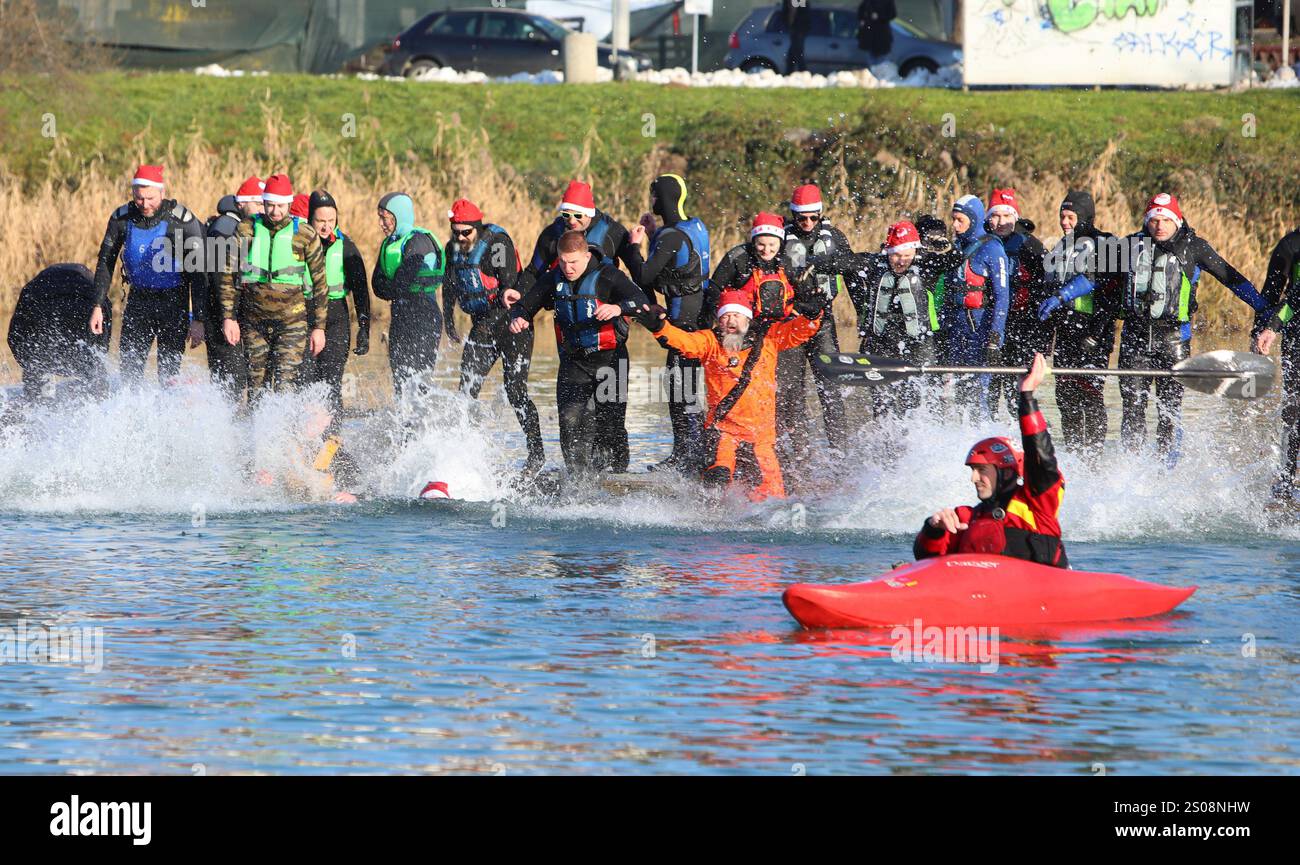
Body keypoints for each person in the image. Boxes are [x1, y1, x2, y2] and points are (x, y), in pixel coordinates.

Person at [1070, 193, 1266, 457]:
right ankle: (1132, 468)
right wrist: (1061, 296)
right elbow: (1093, 275)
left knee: (1169, 411)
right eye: (1154, 220)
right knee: (1133, 409)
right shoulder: (1129, 245)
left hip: (1174, 342)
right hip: (1134, 342)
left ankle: (1167, 467)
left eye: (1165, 220)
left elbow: (1232, 279)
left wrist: (1266, 310)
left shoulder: (1195, 247)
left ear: (1177, 220)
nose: (1159, 226)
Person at [633, 285, 827, 502]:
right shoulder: (710, 342)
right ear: (719, 320)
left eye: (736, 315)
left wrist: (813, 314)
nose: (731, 321)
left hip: (761, 439)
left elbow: (800, 331)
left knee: (773, 497)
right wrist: (659, 327)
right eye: (726, 316)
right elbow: (683, 342)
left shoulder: (769, 338)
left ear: (747, 319)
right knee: (718, 480)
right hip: (724, 434)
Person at [508, 230, 650, 476]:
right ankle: (578, 479)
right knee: (569, 421)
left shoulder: (608, 275)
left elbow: (642, 301)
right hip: (574, 363)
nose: (568, 267)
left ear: (586, 256)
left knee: (610, 425)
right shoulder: (554, 278)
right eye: (562, 261)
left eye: (573, 262)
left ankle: (616, 474)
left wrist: (618, 307)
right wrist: (518, 317)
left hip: (610, 362)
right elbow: (526, 305)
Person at [914, 353, 1068, 567]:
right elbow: (926, 561)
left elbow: (1041, 455)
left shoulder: (1039, 506)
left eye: (981, 469)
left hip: (1039, 596)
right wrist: (933, 528)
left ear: (1005, 470)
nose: (973, 478)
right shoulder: (964, 518)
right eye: (972, 470)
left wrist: (1027, 396)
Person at [445, 198, 545, 474]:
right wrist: (448, 321)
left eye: (466, 232)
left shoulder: (498, 245)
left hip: (512, 326)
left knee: (515, 391)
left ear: (477, 228)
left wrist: (492, 320)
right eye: (456, 232)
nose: (461, 238)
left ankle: (536, 453)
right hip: (482, 326)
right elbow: (448, 286)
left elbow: (510, 287)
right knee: (465, 391)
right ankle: (461, 452)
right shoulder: (452, 248)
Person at [90, 164, 207, 385]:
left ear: (162, 192)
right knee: (129, 372)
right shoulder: (121, 218)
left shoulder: (181, 220)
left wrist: (199, 319)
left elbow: (199, 274)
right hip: (139, 301)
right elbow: (106, 262)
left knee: (169, 375)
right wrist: (97, 305)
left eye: (151, 198)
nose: (144, 204)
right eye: (139, 198)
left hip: (174, 302)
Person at [218, 173, 329, 398]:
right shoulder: (246, 229)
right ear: (263, 203)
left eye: (280, 206)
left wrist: (319, 328)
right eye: (269, 205)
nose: (275, 211)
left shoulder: (305, 234)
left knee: (285, 386)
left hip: (292, 323)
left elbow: (320, 284)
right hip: (254, 322)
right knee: (256, 388)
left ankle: (283, 432)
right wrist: (228, 318)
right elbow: (227, 274)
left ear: (289, 203)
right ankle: (255, 432)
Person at [628, 174, 711, 472]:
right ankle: (695, 449)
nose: (651, 202)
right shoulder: (695, 226)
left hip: (684, 320)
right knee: (685, 384)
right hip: (701, 312)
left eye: (653, 197)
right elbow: (680, 263)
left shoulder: (670, 236)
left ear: (663, 198)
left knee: (679, 385)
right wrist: (654, 234)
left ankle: (688, 455)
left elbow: (645, 275)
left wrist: (634, 246)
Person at [1036, 190, 1118, 454]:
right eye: (1062, 216)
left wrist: (1061, 297)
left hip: (1093, 332)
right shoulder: (1062, 246)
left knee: (1090, 396)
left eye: (1071, 217)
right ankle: (1072, 452)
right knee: (1065, 395)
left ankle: (1092, 456)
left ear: (1085, 217)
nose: (1064, 222)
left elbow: (1098, 281)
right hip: (1066, 331)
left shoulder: (1105, 242)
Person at [782, 184, 853, 458]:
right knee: (791, 393)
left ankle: (840, 452)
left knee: (830, 389)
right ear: (792, 215)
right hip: (791, 324)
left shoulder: (834, 237)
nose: (808, 224)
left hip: (823, 323)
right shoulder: (781, 238)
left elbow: (852, 273)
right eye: (802, 219)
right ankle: (800, 453)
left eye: (814, 217)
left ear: (821, 214)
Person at [846, 221, 935, 417]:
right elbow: (843, 263)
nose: (901, 261)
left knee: (912, 400)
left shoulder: (927, 265)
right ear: (887, 251)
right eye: (896, 255)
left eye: (906, 256)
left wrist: (946, 248)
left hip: (916, 343)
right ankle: (884, 443)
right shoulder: (872, 265)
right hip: (881, 342)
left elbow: (955, 258)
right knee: (882, 401)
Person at [371, 191, 446, 400]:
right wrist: (393, 286)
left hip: (424, 316)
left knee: (419, 383)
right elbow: (377, 285)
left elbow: (403, 281)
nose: (381, 224)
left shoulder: (419, 242)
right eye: (380, 218)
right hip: (400, 317)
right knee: (401, 384)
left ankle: (424, 430)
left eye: (384, 218)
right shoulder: (389, 244)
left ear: (398, 216)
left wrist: (392, 286)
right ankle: (404, 432)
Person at [943, 193, 1009, 423]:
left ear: (974, 219)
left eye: (960, 220)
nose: (955, 225)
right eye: (953, 219)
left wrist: (994, 337)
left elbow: (1002, 297)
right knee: (960, 396)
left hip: (981, 331)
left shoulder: (992, 249)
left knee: (978, 393)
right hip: (958, 331)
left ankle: (983, 442)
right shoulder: (956, 247)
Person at [7, 263, 110, 407]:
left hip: (46, 303)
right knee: (96, 377)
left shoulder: (33, 287)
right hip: (81, 304)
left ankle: (34, 414)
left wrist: (29, 363)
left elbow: (14, 336)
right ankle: (97, 412)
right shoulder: (96, 291)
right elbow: (102, 346)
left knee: (36, 387)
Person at [306, 190, 370, 416]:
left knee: (331, 383)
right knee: (306, 383)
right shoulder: (298, 244)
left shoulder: (346, 247)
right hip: (304, 317)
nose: (326, 227)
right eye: (320, 221)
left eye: (331, 221)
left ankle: (333, 440)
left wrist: (364, 328)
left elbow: (361, 291)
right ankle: (305, 440)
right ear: (309, 219)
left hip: (336, 318)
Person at [986, 188, 1048, 420]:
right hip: (990, 325)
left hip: (1022, 326)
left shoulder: (1030, 246)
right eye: (995, 216)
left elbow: (1045, 290)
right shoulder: (981, 244)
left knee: (1018, 391)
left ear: (1016, 217)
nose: (1001, 222)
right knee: (990, 388)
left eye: (1007, 216)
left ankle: (1025, 438)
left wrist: (1041, 341)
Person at [517, 180, 644, 295]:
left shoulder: (612, 232)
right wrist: (518, 294)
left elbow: (637, 270)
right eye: (566, 214)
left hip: (605, 308)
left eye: (578, 215)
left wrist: (650, 302)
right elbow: (533, 272)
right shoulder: (553, 233)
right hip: (566, 307)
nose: (571, 221)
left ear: (589, 213)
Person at [1249, 220, 1300, 500]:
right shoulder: (1290, 245)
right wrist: (1264, 329)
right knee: (1294, 409)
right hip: (1297, 334)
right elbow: (1284, 296)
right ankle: (1285, 481)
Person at [203, 175, 263, 396]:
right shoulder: (225, 228)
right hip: (221, 316)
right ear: (241, 204)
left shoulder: (248, 227)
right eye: (257, 203)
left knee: (244, 382)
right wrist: (230, 318)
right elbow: (220, 278)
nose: (263, 209)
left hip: (237, 316)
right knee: (231, 386)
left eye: (264, 203)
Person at [253, 404, 360, 504]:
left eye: (314, 414)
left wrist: (353, 497)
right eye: (304, 414)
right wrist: (260, 476)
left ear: (327, 420)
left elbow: (366, 491)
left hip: (321, 514)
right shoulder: (282, 445)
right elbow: (247, 473)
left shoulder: (337, 455)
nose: (308, 419)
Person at [782, 0, 811, 74]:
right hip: (797, 30)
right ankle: (793, 73)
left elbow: (794, 11)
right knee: (794, 54)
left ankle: (800, 73)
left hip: (798, 30)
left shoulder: (799, 2)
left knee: (796, 53)